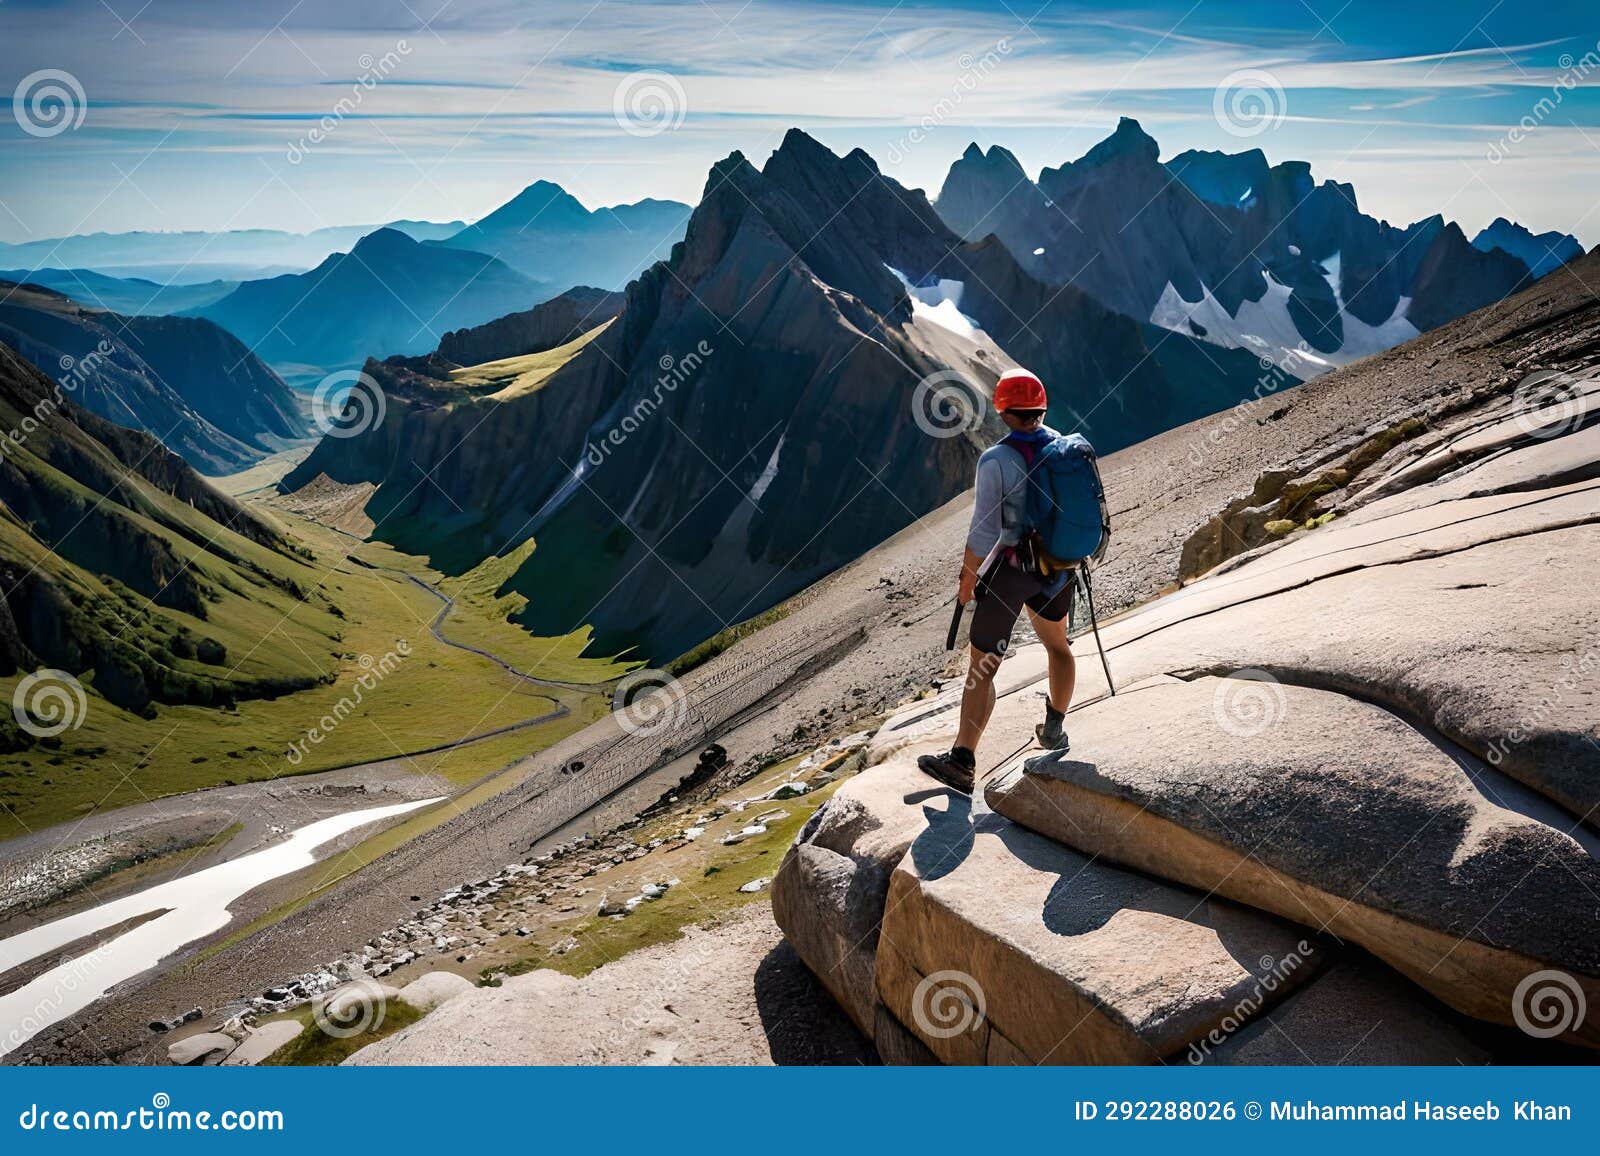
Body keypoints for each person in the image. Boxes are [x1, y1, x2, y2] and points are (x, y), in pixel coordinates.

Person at [918, 367, 1076, 794]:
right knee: (1058, 647)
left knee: (982, 667)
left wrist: (967, 582)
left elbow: (984, 533)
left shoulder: (996, 461)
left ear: (1002, 410)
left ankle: (963, 759)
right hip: (1057, 568)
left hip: (1010, 573)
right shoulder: (1065, 449)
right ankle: (1055, 729)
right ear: (1041, 407)